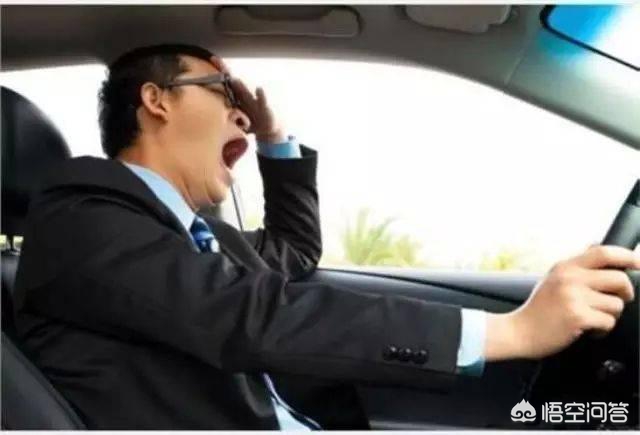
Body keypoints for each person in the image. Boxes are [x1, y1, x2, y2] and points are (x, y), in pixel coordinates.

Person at [13, 43, 638, 430]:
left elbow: (294, 253)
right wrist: (510, 332)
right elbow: (248, 313)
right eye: (223, 91)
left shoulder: (205, 239)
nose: (239, 111)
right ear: (157, 100)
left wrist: (273, 141)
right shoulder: (80, 216)